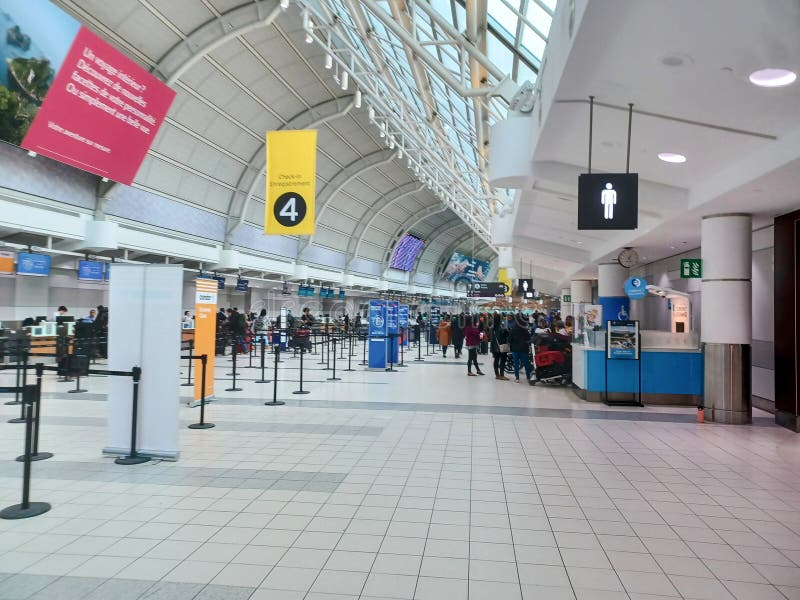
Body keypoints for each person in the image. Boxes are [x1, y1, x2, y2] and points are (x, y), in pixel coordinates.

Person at [508, 315, 533, 383]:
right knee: (526, 364)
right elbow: (529, 339)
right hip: (524, 349)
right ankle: (528, 377)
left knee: (516, 364)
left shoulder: (513, 330)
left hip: (515, 349)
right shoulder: (525, 330)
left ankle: (517, 378)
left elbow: (509, 340)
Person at [490, 314, 509, 381]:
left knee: (496, 360)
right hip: (501, 346)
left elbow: (492, 337)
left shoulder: (492, 327)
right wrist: (507, 331)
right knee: (503, 360)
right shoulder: (501, 328)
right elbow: (504, 336)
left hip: (494, 347)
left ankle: (497, 375)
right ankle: (501, 375)